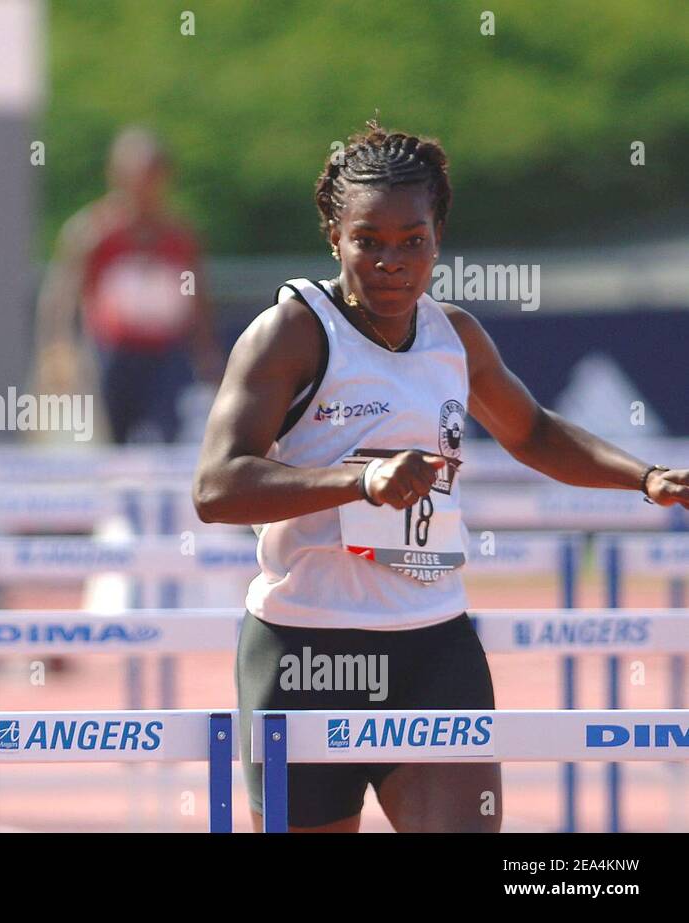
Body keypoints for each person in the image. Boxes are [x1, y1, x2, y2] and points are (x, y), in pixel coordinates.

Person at [192, 121, 689, 833]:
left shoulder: (454, 336)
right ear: (335, 236)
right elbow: (217, 488)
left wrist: (646, 478)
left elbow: (536, 431)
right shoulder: (293, 331)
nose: (391, 262)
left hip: (433, 645)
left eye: (412, 242)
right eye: (369, 241)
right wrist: (359, 482)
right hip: (307, 651)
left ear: (438, 237)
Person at [35, 127, 222, 445]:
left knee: (168, 433)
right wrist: (57, 346)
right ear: (117, 175)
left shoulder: (178, 235)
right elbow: (62, 294)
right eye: (137, 175)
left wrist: (207, 353)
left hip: (168, 352)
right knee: (113, 442)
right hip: (112, 353)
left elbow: (197, 297)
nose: (145, 186)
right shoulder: (94, 232)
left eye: (153, 175)